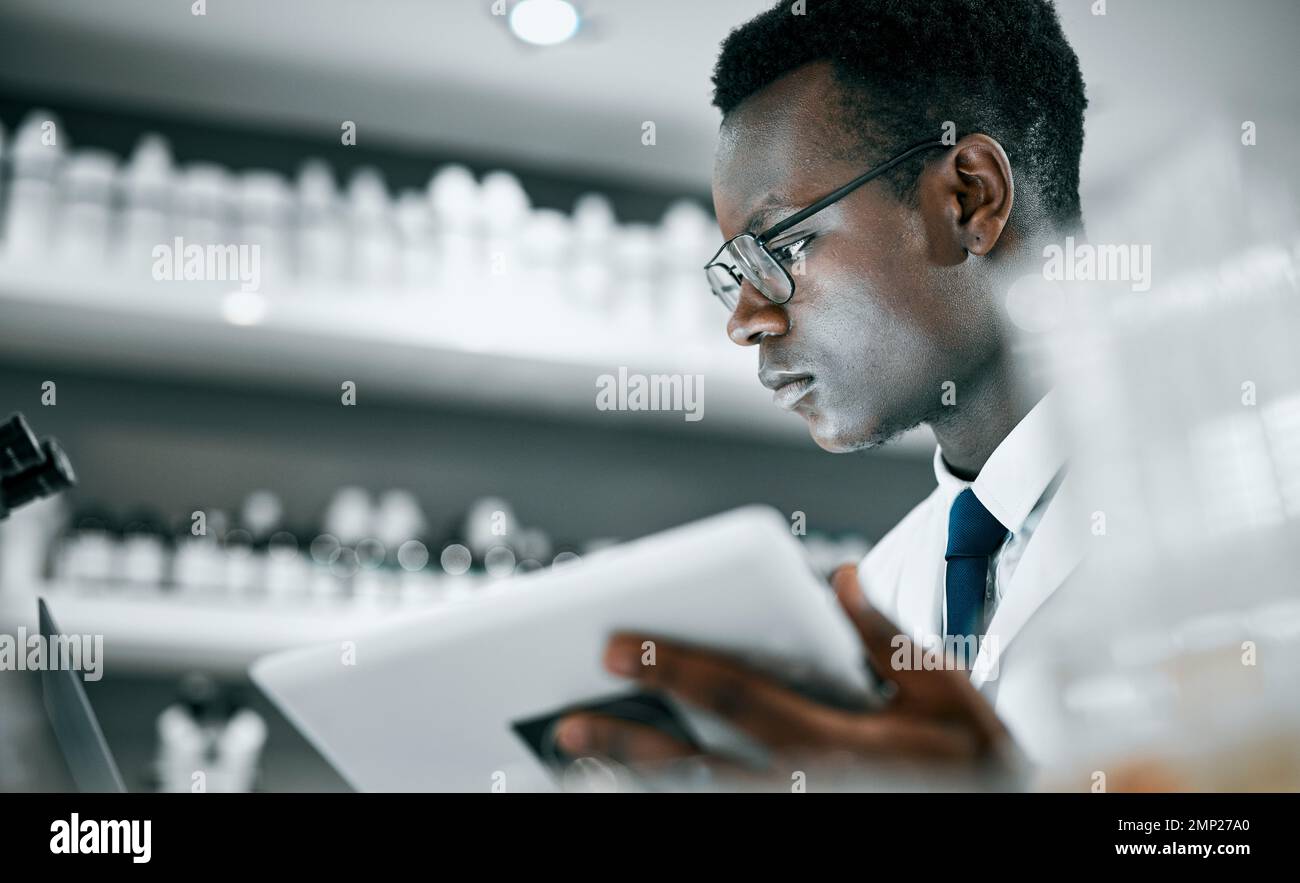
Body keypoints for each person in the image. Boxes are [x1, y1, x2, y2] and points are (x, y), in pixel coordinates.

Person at [557, 0, 1089, 781]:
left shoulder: (1254, 505)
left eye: (781, 246)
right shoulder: (883, 588)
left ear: (966, 199)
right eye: (735, 272)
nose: (744, 320)